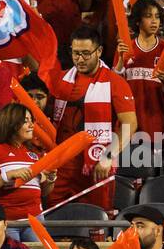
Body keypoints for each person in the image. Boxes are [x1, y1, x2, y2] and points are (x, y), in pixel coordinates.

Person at [51, 26, 136, 211]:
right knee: (53, 219)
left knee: (96, 221)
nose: (80, 59)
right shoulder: (61, 80)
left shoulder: (115, 82)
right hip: (61, 166)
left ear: (99, 51)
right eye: (75, 53)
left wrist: (108, 156)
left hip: (96, 165)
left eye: (86, 54)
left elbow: (130, 125)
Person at [0, 102, 47, 237]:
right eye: (26, 121)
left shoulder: (34, 152)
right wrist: (9, 174)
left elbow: (44, 192)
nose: (32, 125)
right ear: (12, 123)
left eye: (32, 121)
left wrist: (50, 179)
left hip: (35, 219)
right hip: (5, 221)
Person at [119, 0, 164, 138]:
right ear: (137, 20)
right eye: (148, 16)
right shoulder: (125, 48)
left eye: (157, 16)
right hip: (128, 120)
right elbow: (116, 84)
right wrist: (121, 59)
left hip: (156, 122)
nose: (154, 21)